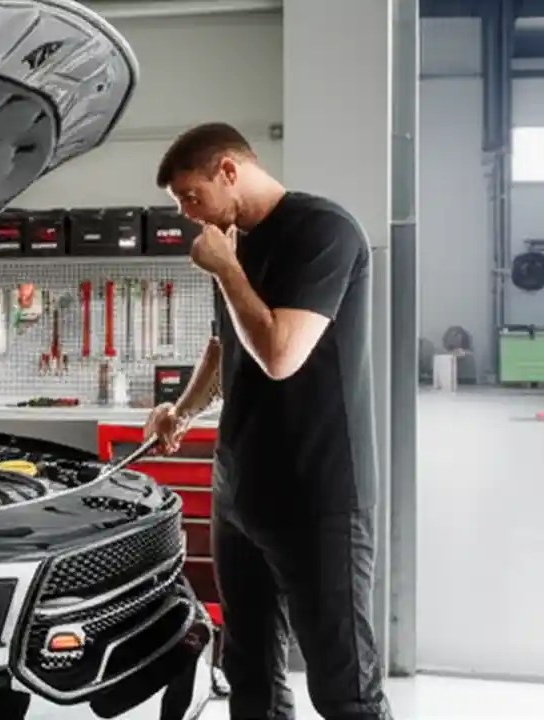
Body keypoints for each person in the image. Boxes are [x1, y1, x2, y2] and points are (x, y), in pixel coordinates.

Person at [144, 122, 391, 720]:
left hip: (318, 495)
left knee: (343, 688)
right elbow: (223, 345)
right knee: (249, 672)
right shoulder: (234, 240)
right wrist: (182, 410)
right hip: (241, 493)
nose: (188, 215)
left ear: (228, 170)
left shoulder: (324, 231)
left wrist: (227, 270)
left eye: (191, 197)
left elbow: (279, 353)